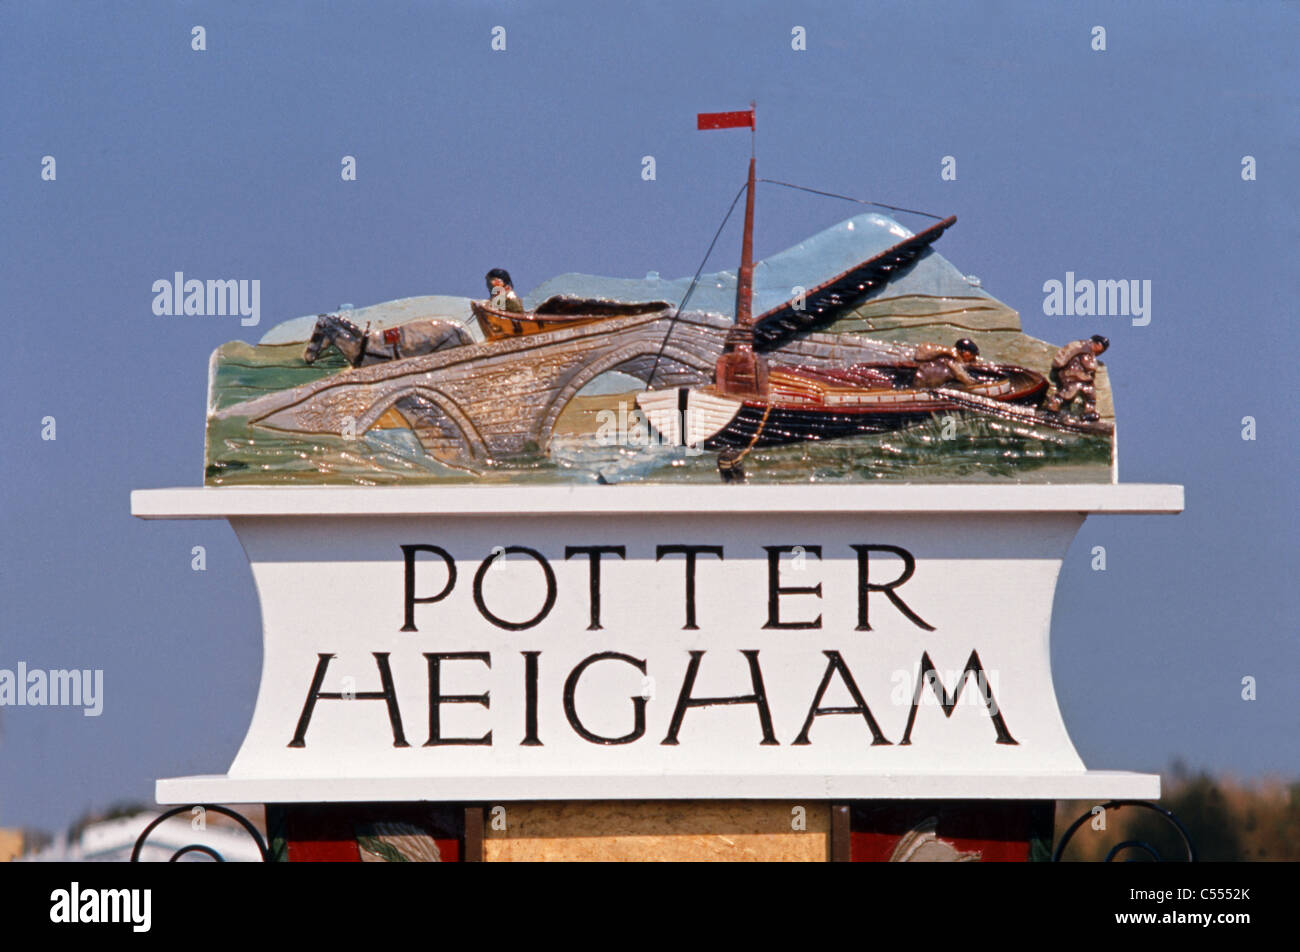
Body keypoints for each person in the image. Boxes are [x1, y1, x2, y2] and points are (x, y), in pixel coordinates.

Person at [1042, 334, 1108, 422]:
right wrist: (1058, 365)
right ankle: (1052, 407)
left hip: (1083, 379)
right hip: (1072, 375)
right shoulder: (1082, 347)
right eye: (1101, 349)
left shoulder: (1091, 353)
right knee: (1070, 392)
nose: (1100, 352)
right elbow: (1065, 356)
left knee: (1090, 393)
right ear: (1097, 344)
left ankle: (1088, 412)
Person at [912, 338, 981, 389]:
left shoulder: (943, 357)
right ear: (965, 353)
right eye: (972, 358)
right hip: (923, 385)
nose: (973, 361)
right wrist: (973, 383)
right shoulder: (952, 358)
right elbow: (960, 375)